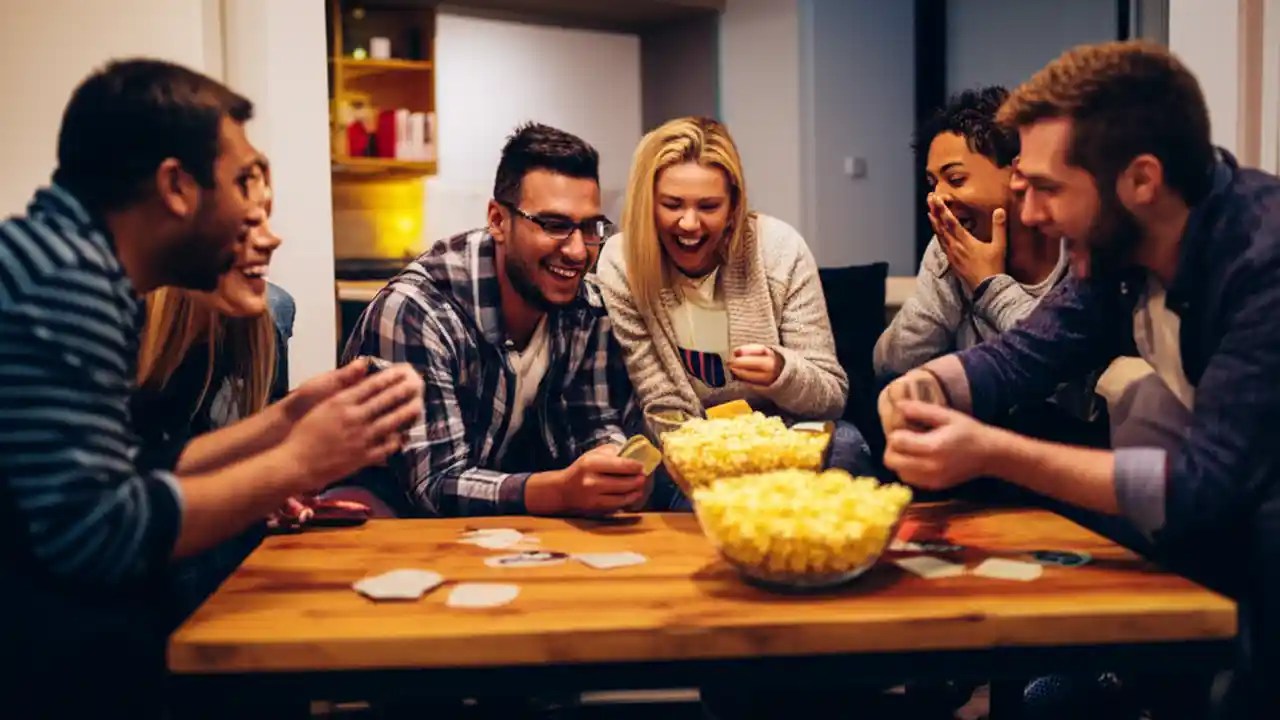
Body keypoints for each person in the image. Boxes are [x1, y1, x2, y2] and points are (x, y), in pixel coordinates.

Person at [0, 59, 423, 717]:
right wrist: (302, 460)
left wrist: (285, 422)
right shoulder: (68, 284)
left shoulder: (70, 264)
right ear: (176, 186)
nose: (258, 213)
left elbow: (133, 472)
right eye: (240, 181)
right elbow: (97, 532)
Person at [878, 40, 1280, 717]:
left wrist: (989, 449)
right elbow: (1026, 352)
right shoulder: (1125, 243)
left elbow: (1207, 486)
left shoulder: (1261, 263)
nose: (1029, 212)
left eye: (1047, 188)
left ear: (1141, 180)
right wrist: (931, 386)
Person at [340, 122, 646, 518]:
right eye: (554, 225)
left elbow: (589, 418)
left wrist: (611, 463)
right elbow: (433, 485)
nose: (576, 251)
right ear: (498, 221)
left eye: (589, 228)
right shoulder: (417, 313)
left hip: (503, 524)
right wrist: (559, 491)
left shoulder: (586, 308)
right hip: (392, 522)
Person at [595, 116, 871, 509]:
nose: (689, 224)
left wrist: (782, 371)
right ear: (646, 204)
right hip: (685, 447)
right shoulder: (621, 264)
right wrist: (725, 461)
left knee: (846, 447)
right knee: (678, 491)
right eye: (672, 205)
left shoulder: (779, 250)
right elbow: (661, 406)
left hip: (781, 440)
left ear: (733, 206)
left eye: (708, 206)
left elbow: (830, 398)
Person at [878, 86, 1104, 450]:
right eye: (931, 184)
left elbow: (1067, 380)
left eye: (955, 179)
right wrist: (950, 278)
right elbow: (892, 364)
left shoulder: (1080, 251)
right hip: (967, 444)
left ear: (1017, 173)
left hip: (1062, 447)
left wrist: (989, 285)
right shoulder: (948, 248)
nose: (937, 198)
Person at [133, 157, 303, 627]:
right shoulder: (121, 327)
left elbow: (257, 457)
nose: (270, 240)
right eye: (243, 224)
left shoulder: (267, 318)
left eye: (266, 218)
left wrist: (272, 485)